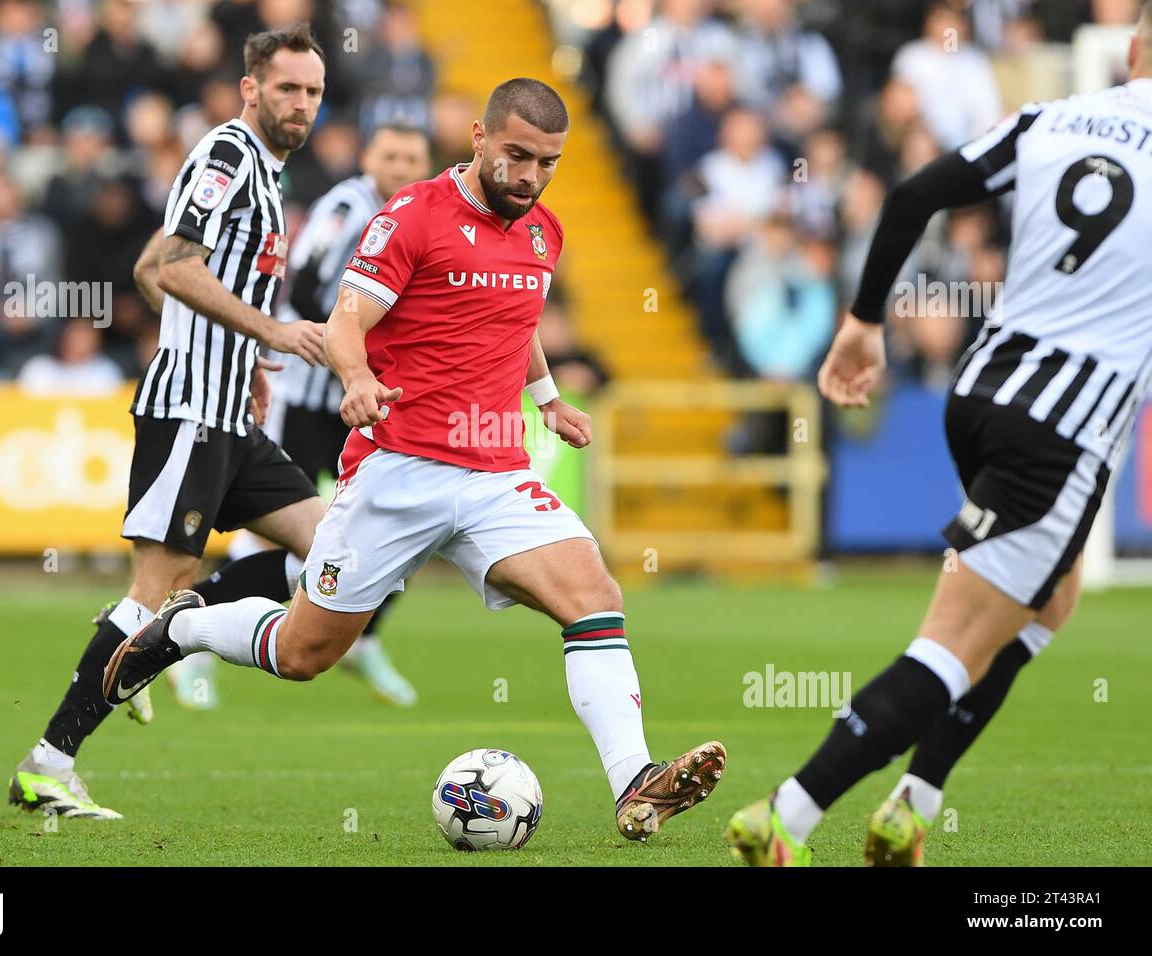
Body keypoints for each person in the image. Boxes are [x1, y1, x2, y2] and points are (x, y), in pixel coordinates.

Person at [98, 77, 726, 840]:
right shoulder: (413, 217)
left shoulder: (541, 233)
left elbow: (516, 315)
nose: (529, 176)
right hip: (399, 470)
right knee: (303, 654)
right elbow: (346, 319)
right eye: (517, 156)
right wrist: (357, 377)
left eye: (547, 163)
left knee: (595, 598)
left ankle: (635, 782)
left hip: (497, 473)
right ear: (478, 138)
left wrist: (550, 398)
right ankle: (183, 631)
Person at [726, 3, 1152, 866]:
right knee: (956, 642)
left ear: (1134, 46)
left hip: (981, 393)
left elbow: (915, 193)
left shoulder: (1049, 119)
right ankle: (788, 816)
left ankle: (911, 806)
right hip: (1062, 431)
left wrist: (863, 320)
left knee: (1050, 600)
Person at [9, 25, 333, 819]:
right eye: (287, 88)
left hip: (231, 413)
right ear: (251, 88)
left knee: (335, 548)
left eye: (314, 92)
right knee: (157, 588)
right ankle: (48, 763)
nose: (302, 104)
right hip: (189, 410)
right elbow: (174, 265)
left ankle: (157, 642)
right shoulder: (227, 155)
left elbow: (149, 269)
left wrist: (240, 355)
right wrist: (268, 333)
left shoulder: (269, 173)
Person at [220, 122, 435, 709]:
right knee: (278, 520)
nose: (400, 165)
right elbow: (312, 282)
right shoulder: (347, 205)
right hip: (311, 392)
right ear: (367, 157)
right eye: (389, 154)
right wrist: (372, 330)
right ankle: (199, 638)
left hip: (366, 395)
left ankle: (363, 640)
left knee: (401, 516)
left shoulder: (424, 213)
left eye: (411, 155)